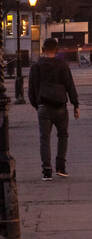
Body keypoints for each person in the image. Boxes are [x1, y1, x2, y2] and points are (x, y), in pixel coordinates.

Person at [28, 38, 79, 178]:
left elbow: (31, 91)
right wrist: (75, 104)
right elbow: (70, 85)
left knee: (44, 138)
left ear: (43, 49)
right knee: (63, 136)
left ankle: (46, 170)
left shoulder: (36, 67)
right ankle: (61, 167)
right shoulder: (62, 65)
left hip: (43, 106)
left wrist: (37, 105)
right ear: (56, 50)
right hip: (60, 106)